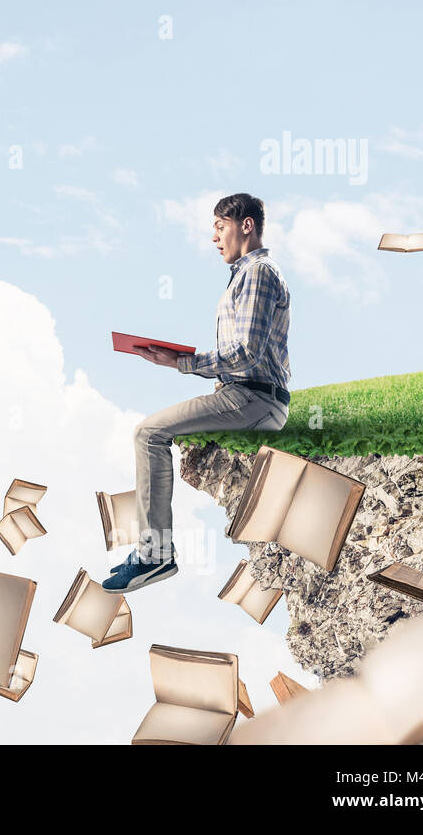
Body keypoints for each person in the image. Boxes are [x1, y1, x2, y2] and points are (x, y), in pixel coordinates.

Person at [102, 193, 291, 594]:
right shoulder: (245, 274)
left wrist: (179, 362)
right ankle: (154, 553)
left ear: (246, 225)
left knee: (148, 433)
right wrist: (176, 358)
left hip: (254, 399)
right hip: (245, 394)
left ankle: (155, 556)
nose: (214, 238)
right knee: (151, 431)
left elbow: (245, 353)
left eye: (220, 227)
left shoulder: (258, 272)